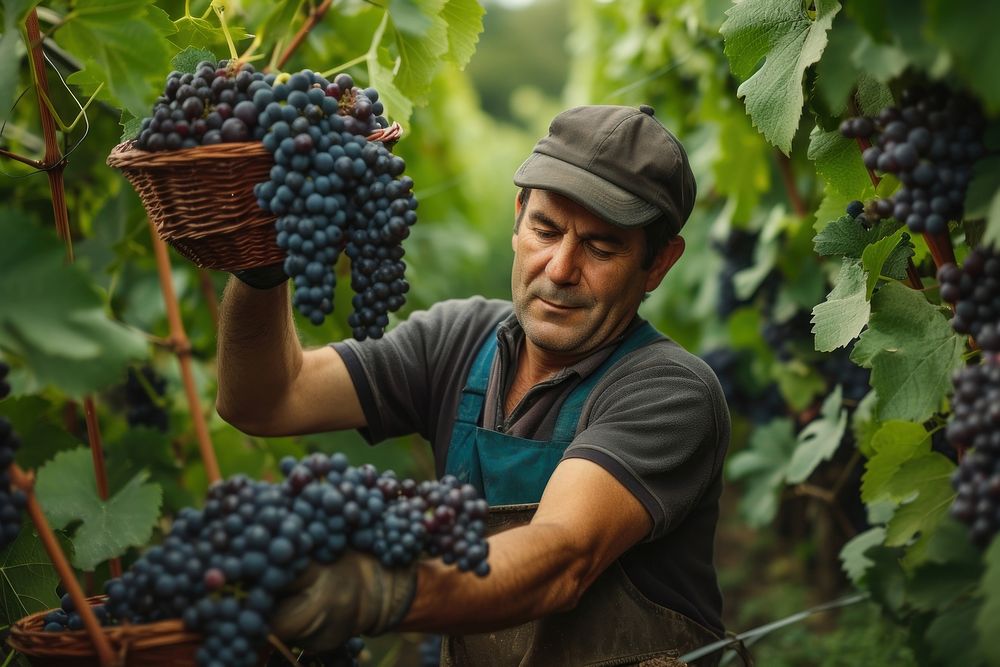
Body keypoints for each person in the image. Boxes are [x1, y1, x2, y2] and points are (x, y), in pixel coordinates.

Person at [215, 104, 731, 666]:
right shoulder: (455, 340)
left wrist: (387, 589)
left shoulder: (669, 391)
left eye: (601, 248)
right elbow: (267, 401)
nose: (559, 268)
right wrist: (260, 268)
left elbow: (562, 556)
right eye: (545, 229)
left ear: (658, 265)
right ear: (517, 218)